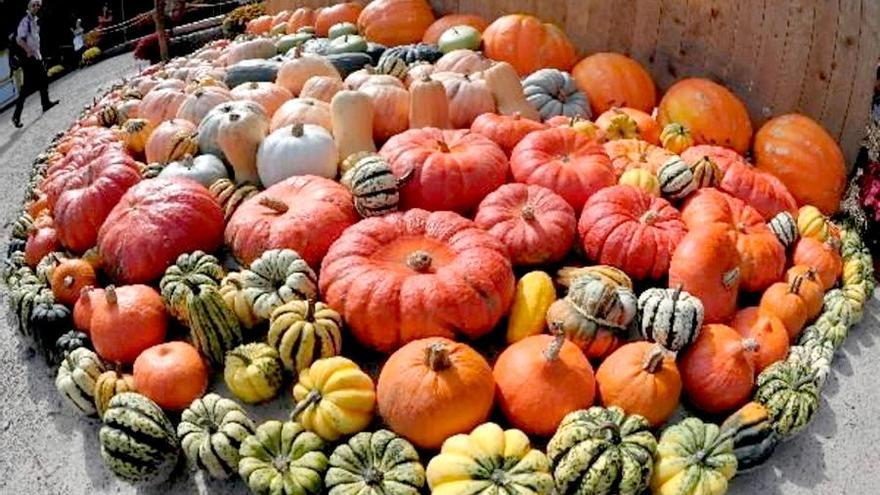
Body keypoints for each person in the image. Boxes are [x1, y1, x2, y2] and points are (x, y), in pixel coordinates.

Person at [11, 0, 59, 128]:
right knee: (26, 88)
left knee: (43, 79)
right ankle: (16, 115)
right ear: (28, 6)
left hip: (36, 56)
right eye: (33, 5)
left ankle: (45, 103)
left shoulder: (33, 20)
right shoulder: (25, 21)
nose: (36, 7)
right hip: (29, 58)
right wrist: (28, 50)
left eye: (38, 5)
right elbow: (19, 39)